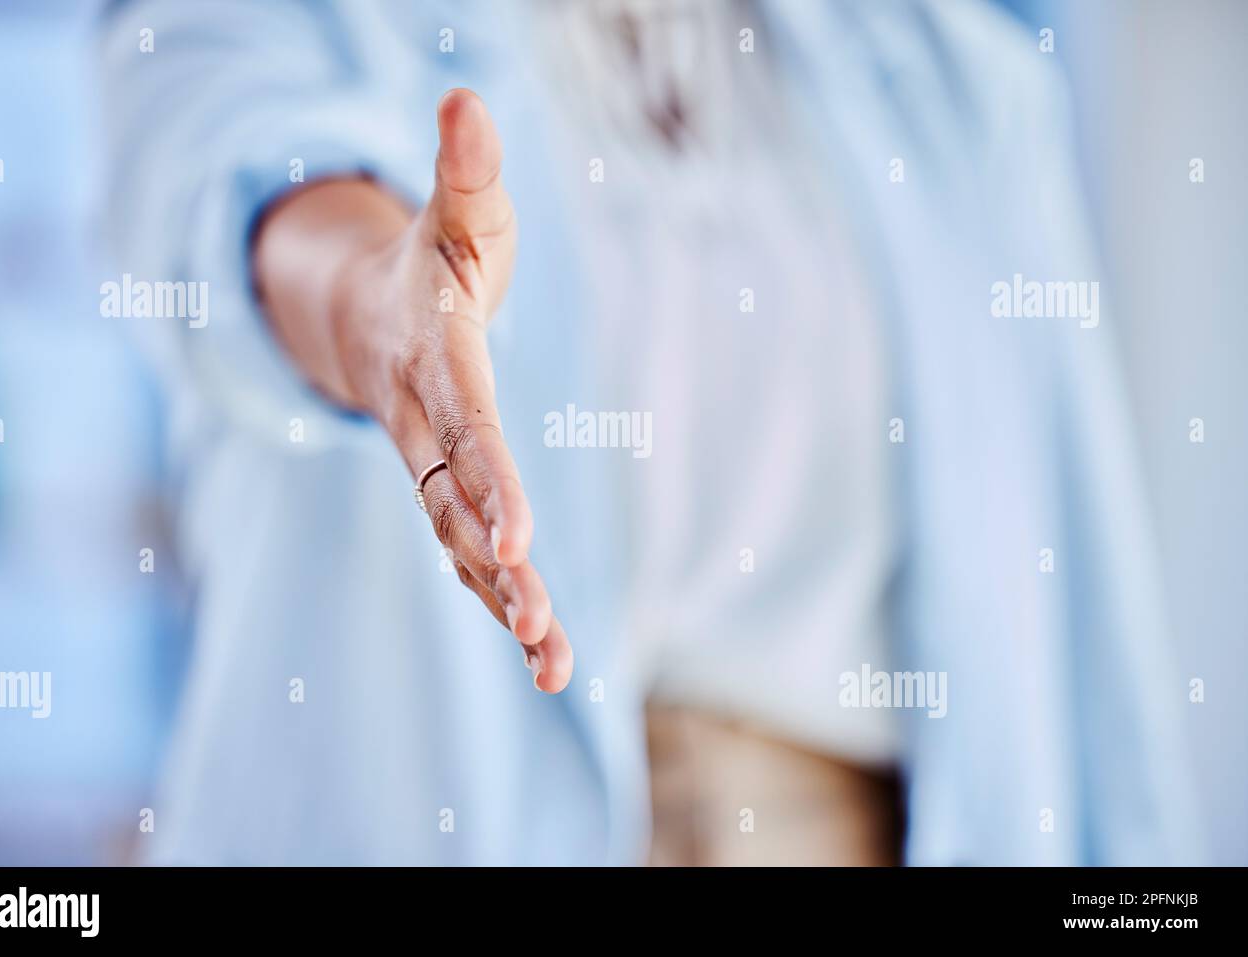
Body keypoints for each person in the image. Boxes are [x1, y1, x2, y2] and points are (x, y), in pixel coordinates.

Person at [102, 0, 1197, 865]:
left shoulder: (961, 82)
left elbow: (1087, 628)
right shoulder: (289, 21)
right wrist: (376, 301)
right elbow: (248, 202)